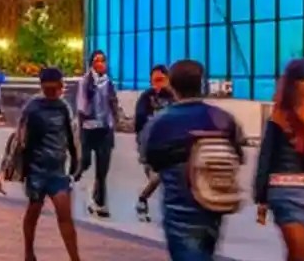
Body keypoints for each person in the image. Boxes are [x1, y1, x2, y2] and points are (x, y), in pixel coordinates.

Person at [141, 59, 245, 261]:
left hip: (179, 206)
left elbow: (150, 158)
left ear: (172, 86)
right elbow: (238, 155)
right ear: (202, 84)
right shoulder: (222, 118)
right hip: (213, 202)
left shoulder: (161, 122)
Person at [254, 59, 304, 261]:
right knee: (302, 251)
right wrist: (261, 196)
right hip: (285, 192)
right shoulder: (281, 115)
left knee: (295, 252)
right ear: (296, 83)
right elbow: (267, 156)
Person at [15, 67, 81, 261]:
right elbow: (20, 138)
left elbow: (71, 136)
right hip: (37, 169)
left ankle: (75, 258)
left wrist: (76, 161)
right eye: (48, 89)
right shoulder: (33, 107)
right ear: (42, 87)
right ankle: (29, 251)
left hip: (57, 170)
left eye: (56, 88)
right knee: (34, 210)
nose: (53, 92)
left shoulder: (63, 108)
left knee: (64, 213)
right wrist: (17, 167)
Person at [77, 49, 119, 218]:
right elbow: (81, 105)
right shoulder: (85, 81)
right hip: (89, 128)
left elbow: (113, 103)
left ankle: (100, 203)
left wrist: (115, 119)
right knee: (85, 163)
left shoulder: (108, 82)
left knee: (102, 169)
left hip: (105, 129)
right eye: (97, 61)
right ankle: (74, 180)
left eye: (103, 60)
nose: (101, 64)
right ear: (91, 64)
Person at [134, 64, 175, 222]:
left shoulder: (173, 98)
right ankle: (142, 199)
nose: (157, 84)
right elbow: (139, 121)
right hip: (150, 145)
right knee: (156, 178)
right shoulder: (146, 98)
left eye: (161, 80)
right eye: (154, 81)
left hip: (170, 145)